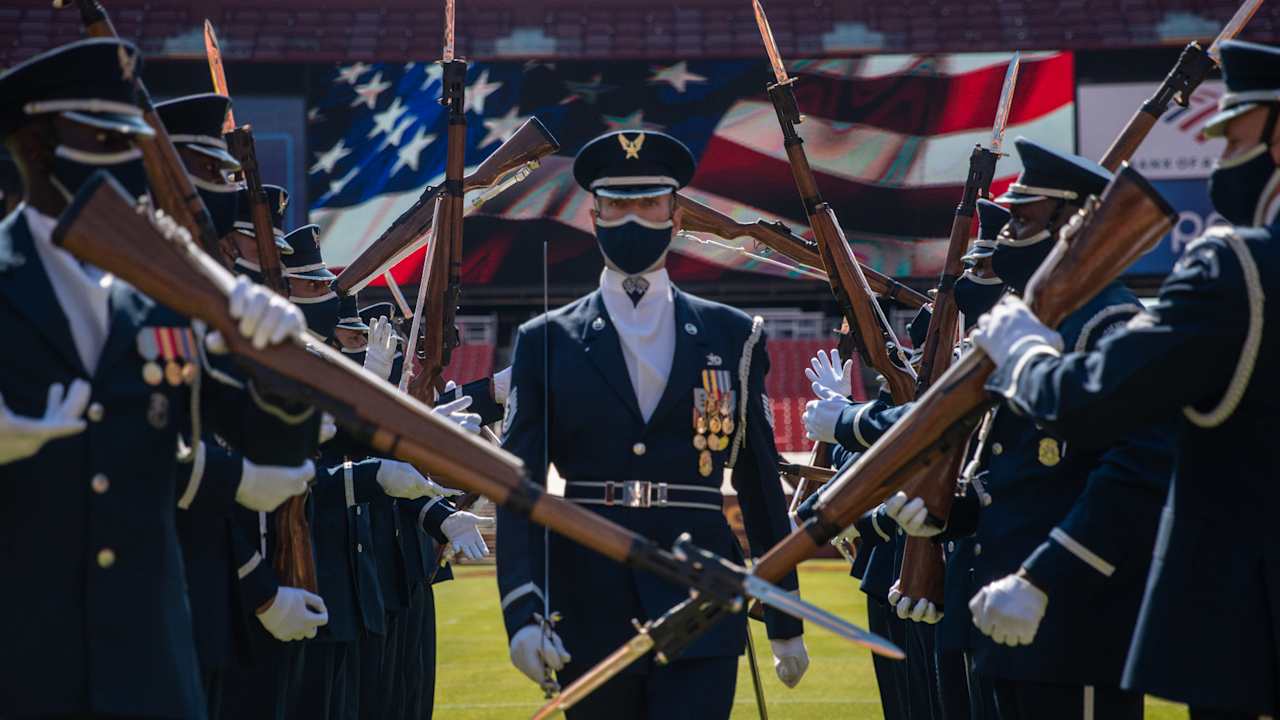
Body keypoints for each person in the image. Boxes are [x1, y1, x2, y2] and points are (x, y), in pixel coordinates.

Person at [0, 38, 316, 719]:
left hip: (151, 673)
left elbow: (275, 447)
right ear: (36, 140)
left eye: (134, 136)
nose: (130, 155)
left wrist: (272, 357)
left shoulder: (161, 294)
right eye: (107, 134)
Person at [970, 40, 1280, 720]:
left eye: (1236, 132)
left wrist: (1024, 355)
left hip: (1254, 626)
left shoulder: (1241, 266)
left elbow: (1088, 410)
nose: (1221, 153)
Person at [495, 130, 806, 719]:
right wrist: (523, 610)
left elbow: (760, 485)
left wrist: (784, 614)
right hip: (586, 599)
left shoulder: (732, 335)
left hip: (702, 596)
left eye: (648, 203)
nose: (632, 218)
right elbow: (519, 491)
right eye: (617, 204)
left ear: (675, 213)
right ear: (594, 214)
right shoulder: (546, 341)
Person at [887, 139, 1172, 720]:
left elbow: (1133, 475)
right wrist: (956, 512)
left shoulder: (1109, 323)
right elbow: (1016, 471)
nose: (1006, 234)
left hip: (1074, 611)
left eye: (1023, 218)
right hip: (1006, 604)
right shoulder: (1039, 322)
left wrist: (1044, 575)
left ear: (1074, 223)